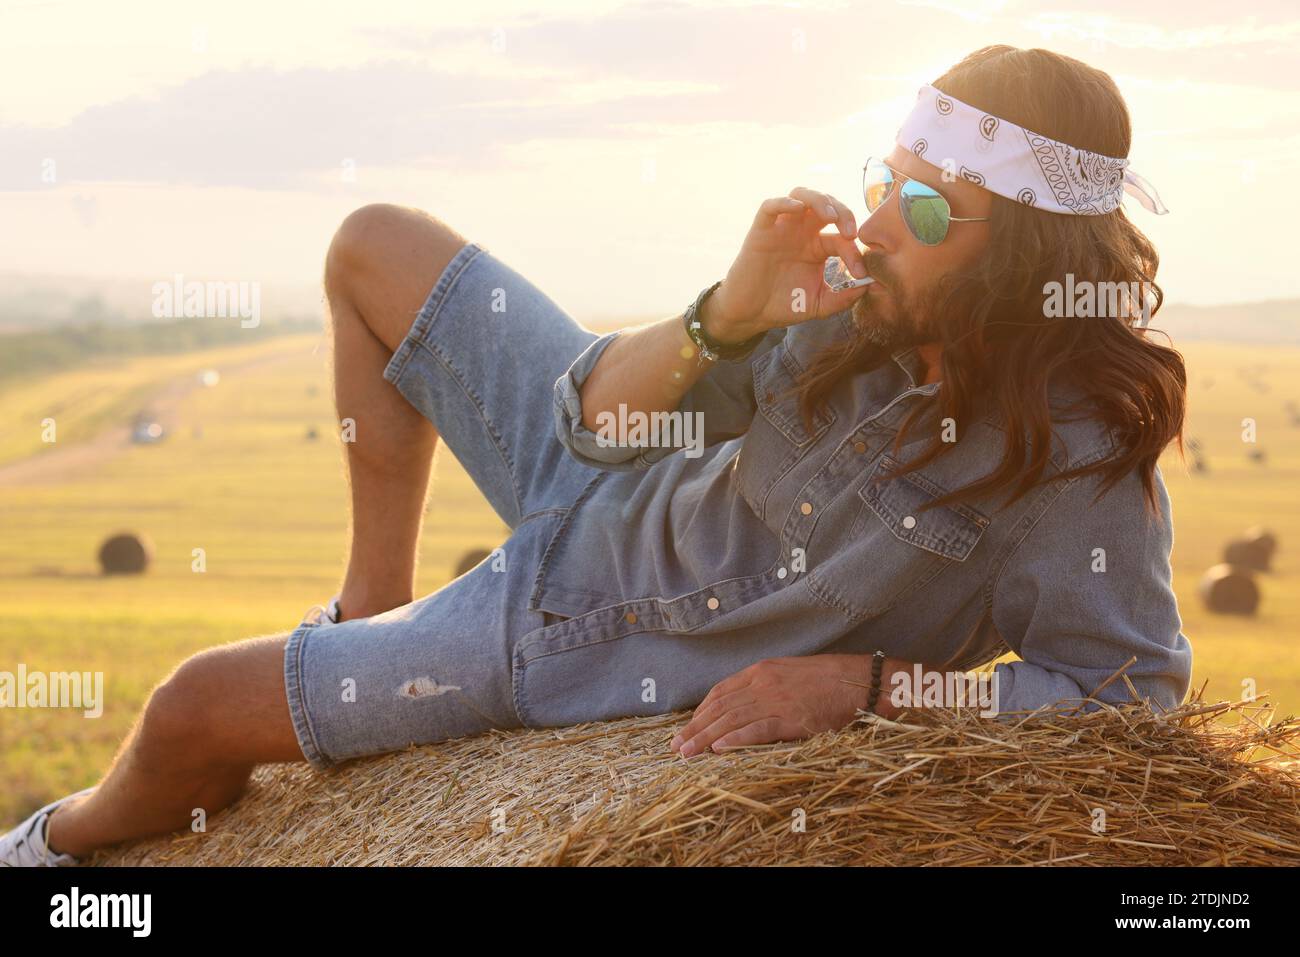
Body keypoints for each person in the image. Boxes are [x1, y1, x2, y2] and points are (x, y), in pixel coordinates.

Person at [1, 44, 1191, 866]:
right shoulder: (844, 299)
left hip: (588, 628)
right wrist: (723, 314)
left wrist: (866, 690)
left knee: (191, 710)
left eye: (927, 211)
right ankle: (371, 597)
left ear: (1027, 248)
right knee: (375, 243)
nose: (877, 226)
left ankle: (56, 844)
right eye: (887, 181)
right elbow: (594, 428)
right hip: (615, 482)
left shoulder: (1075, 467)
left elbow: (1126, 699)